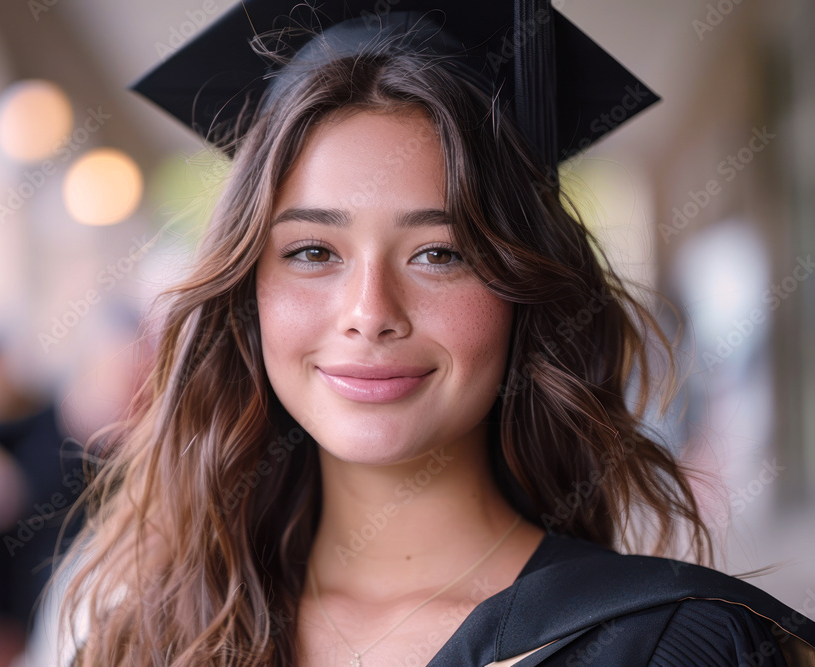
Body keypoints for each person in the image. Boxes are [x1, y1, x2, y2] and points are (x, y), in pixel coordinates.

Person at [50, 1, 815, 665]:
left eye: (439, 253)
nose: (371, 309)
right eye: (313, 251)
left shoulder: (669, 646)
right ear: (246, 292)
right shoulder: (149, 639)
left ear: (524, 291)